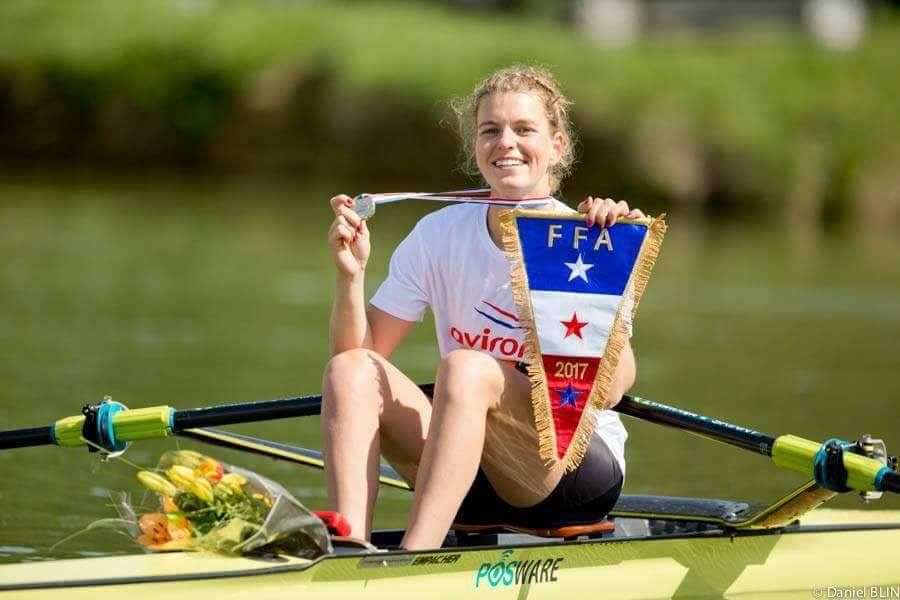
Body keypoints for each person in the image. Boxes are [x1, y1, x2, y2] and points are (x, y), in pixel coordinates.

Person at [322, 65, 645, 550]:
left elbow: (614, 390)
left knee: (466, 368)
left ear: (556, 146)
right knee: (349, 370)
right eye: (490, 130)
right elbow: (360, 356)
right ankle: (346, 549)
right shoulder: (437, 235)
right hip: (466, 470)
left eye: (524, 129)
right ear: (476, 145)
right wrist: (351, 275)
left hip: (566, 472)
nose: (506, 143)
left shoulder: (589, 239)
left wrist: (603, 272)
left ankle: (415, 557)